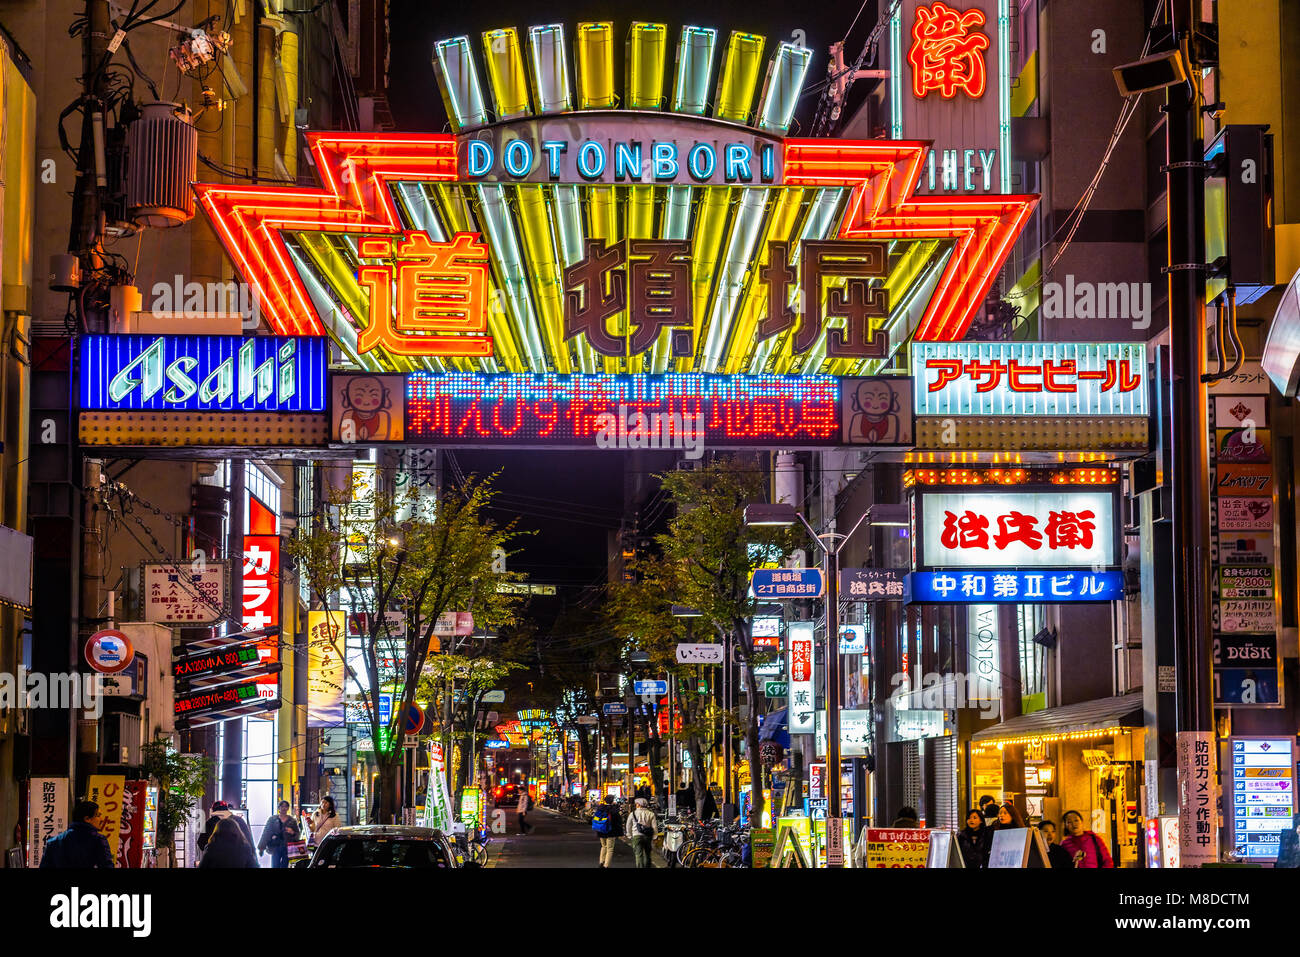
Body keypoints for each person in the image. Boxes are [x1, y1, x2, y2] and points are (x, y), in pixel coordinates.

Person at [40, 800, 113, 868]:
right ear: (87, 819)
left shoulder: (53, 842)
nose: (102, 819)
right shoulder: (98, 840)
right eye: (98, 815)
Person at [257, 801, 301, 868]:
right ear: (278, 808)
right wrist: (261, 847)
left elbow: (297, 834)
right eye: (282, 806)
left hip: (288, 847)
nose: (284, 808)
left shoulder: (292, 820)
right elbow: (266, 833)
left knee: (285, 865)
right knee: (275, 865)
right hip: (275, 846)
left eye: (286, 806)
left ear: (288, 808)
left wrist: (292, 832)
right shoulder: (272, 819)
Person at [625, 796, 658, 868]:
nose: (635, 805)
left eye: (636, 804)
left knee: (638, 855)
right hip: (647, 836)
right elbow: (654, 826)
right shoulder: (651, 814)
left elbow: (628, 825)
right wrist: (655, 837)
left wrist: (629, 835)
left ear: (639, 804)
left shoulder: (633, 814)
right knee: (647, 854)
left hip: (636, 836)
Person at [591, 794, 622, 868]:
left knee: (603, 846)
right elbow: (618, 821)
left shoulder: (601, 808)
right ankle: (606, 865)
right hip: (611, 831)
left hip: (601, 830)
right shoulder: (614, 810)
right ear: (612, 801)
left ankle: (601, 862)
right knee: (610, 849)